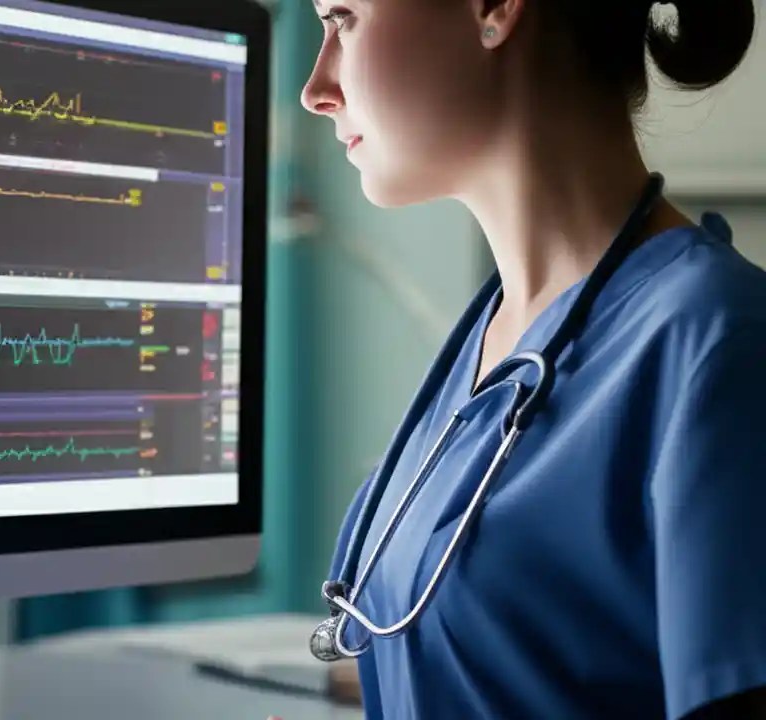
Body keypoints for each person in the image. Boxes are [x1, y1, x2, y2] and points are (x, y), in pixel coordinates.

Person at [283, 0, 766, 718]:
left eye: (343, 18)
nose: (315, 87)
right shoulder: (492, 342)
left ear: (495, 8)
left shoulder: (716, 344)